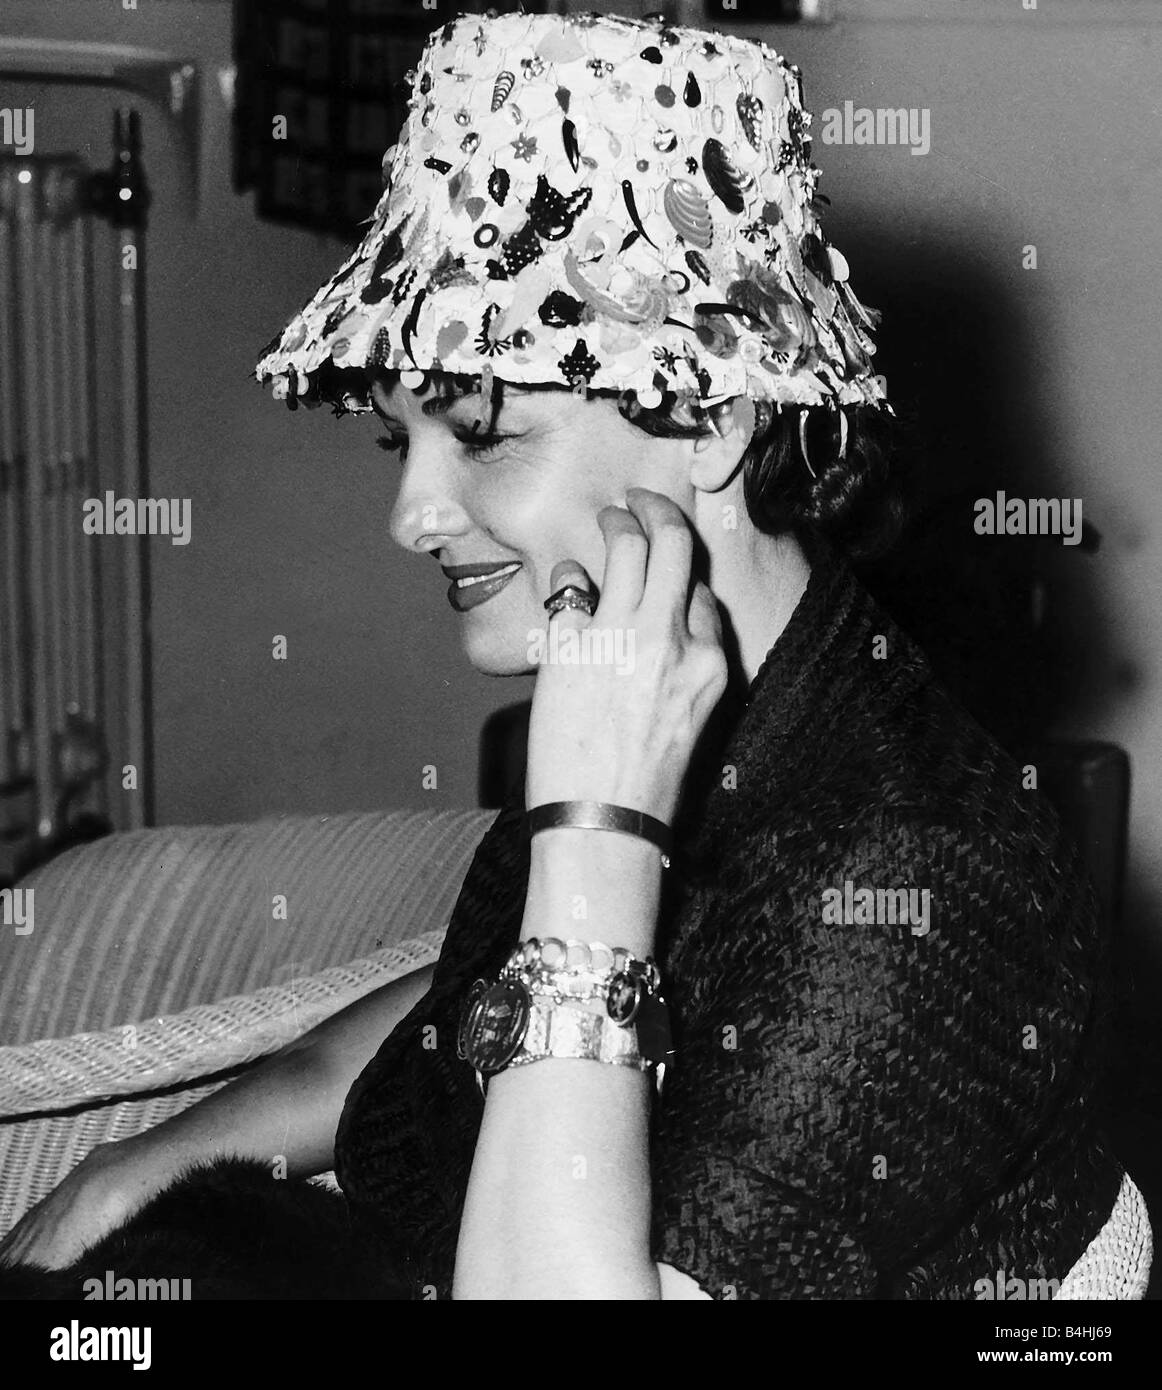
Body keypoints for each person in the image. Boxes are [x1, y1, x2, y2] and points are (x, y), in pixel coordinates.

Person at [0, 8, 1148, 1301]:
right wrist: (122, 1171)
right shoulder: (687, 689)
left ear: (708, 419)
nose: (410, 513)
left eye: (482, 434)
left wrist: (596, 838)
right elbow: (454, 1013)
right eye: (401, 441)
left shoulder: (916, 879)